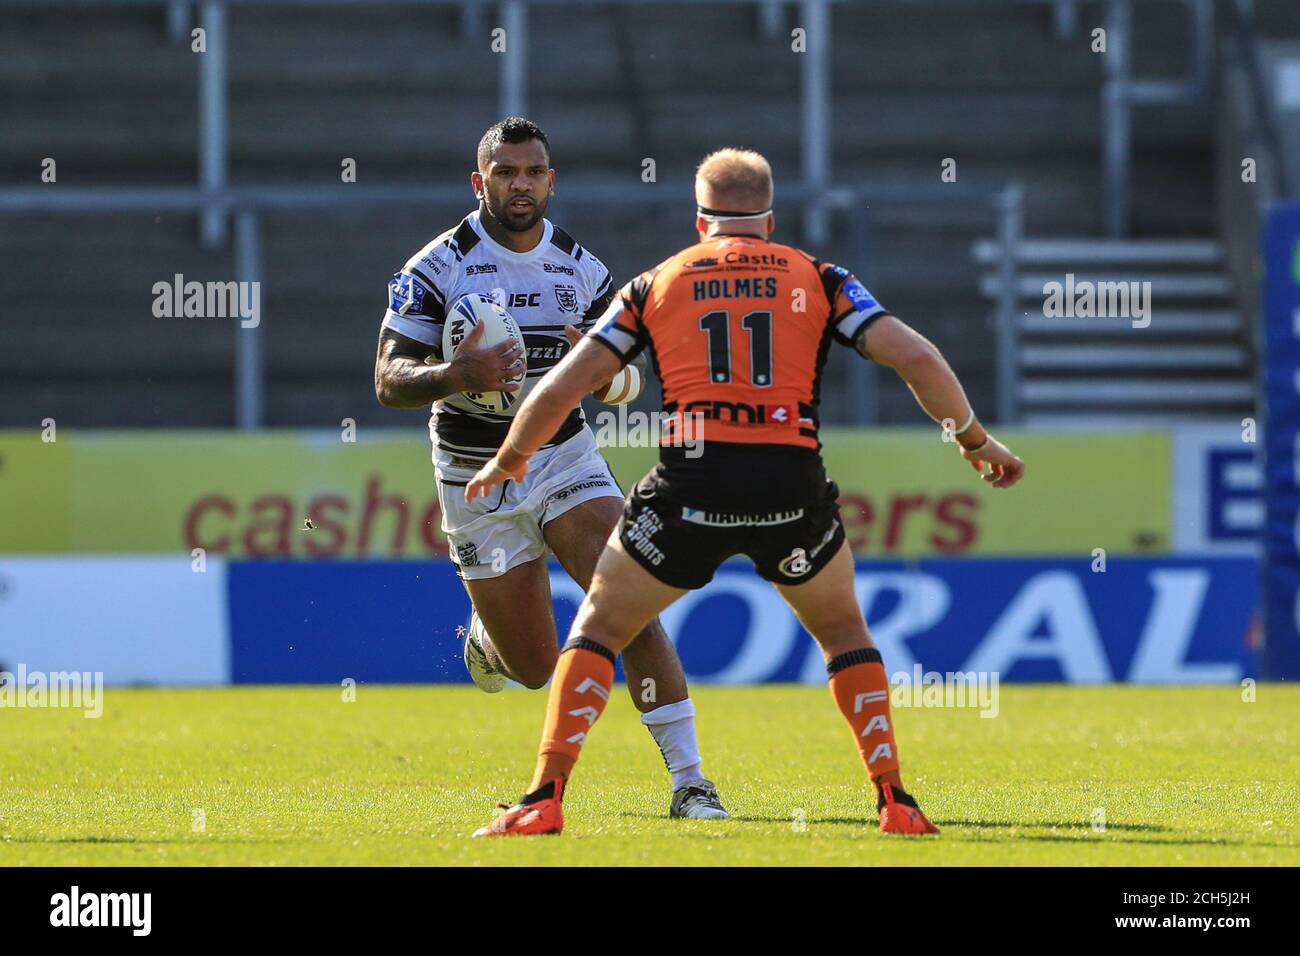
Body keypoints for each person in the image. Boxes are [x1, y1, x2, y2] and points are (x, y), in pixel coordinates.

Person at [465, 147, 1026, 836]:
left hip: (690, 489)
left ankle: (545, 797)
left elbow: (565, 385)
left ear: (701, 220)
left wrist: (510, 458)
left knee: (601, 627)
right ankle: (895, 800)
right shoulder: (821, 277)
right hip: (790, 486)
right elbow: (915, 355)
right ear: (770, 218)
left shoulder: (657, 282)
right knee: (844, 633)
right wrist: (974, 440)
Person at [373, 118, 728, 819]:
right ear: (480, 183)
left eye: (533, 172)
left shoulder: (583, 271)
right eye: (505, 172)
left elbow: (631, 380)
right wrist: (457, 373)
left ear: (551, 181)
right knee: (534, 667)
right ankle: (491, 641)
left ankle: (692, 783)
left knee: (628, 599)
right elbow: (388, 379)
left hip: (563, 457)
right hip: (474, 474)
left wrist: (605, 377)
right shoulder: (435, 268)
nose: (520, 184)